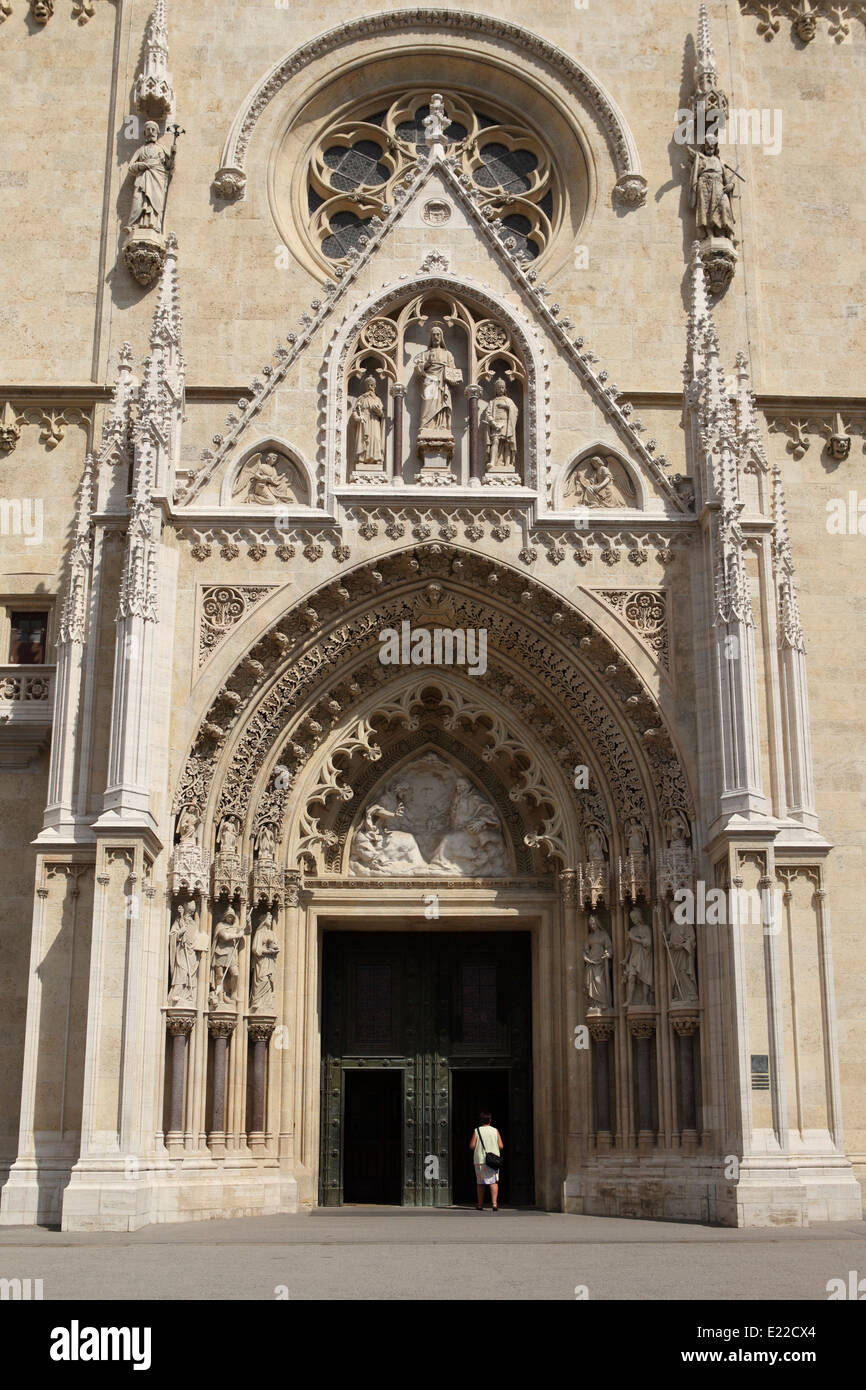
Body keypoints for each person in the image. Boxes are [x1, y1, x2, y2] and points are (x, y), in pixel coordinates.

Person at [470, 1110, 504, 1211]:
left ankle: (480, 1204)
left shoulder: (477, 1131)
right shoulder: (495, 1131)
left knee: (480, 1183)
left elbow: (472, 1146)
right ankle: (494, 1204)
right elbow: (501, 1146)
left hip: (480, 1159)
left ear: (481, 1120)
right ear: (490, 1120)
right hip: (493, 1161)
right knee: (493, 1182)